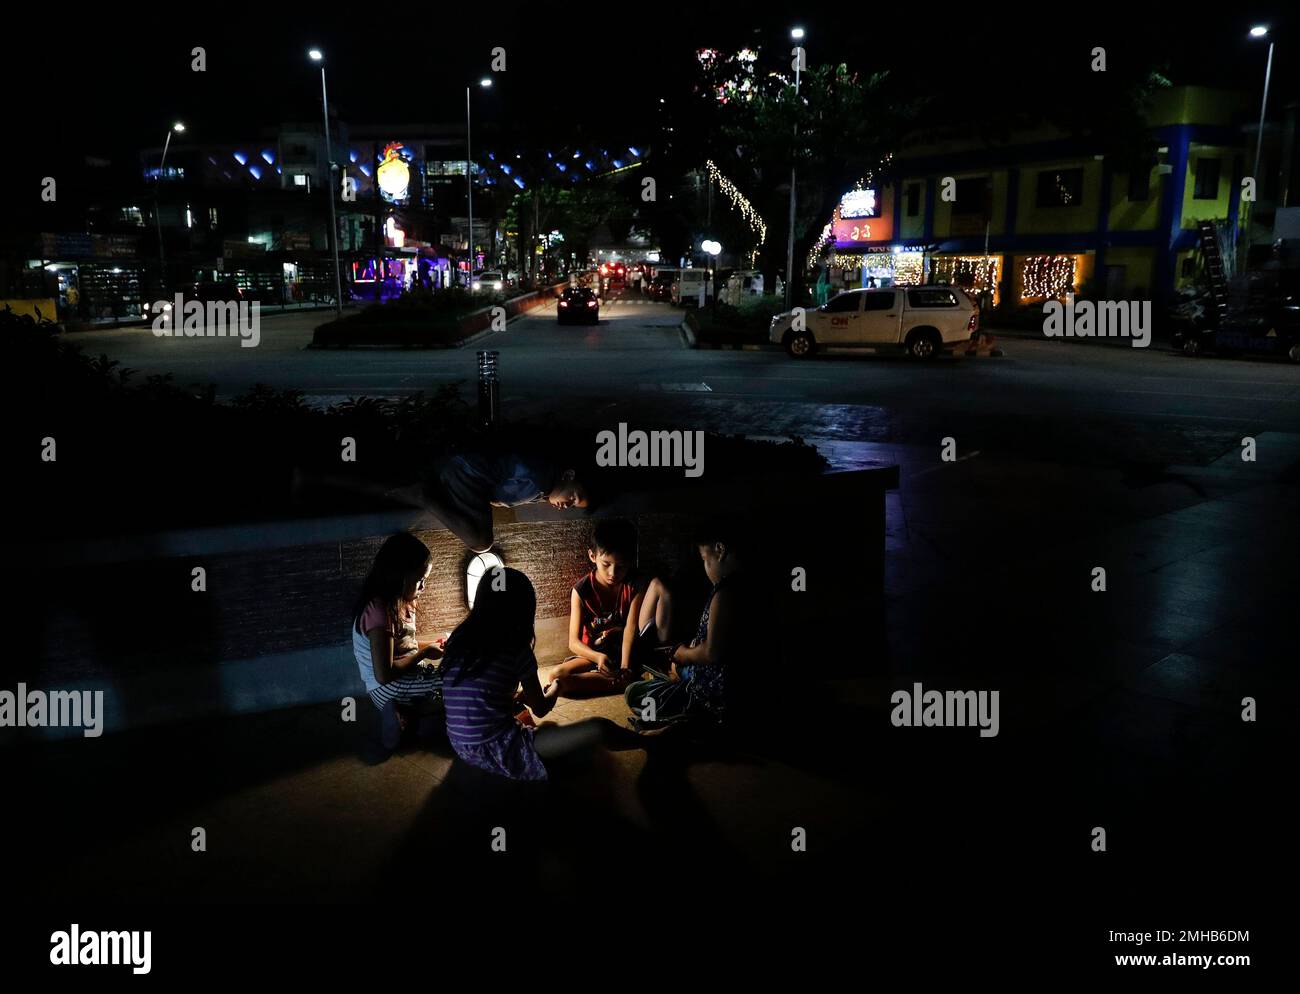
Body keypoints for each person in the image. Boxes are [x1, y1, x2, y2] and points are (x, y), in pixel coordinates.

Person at [624, 519, 764, 731]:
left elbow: (711, 653)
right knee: (679, 669)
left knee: (636, 694)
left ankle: (684, 716)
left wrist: (682, 653)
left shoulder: (725, 592)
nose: (706, 568)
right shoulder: (754, 583)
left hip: (720, 691)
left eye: (705, 559)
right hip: (744, 683)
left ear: (720, 550)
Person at [440, 567, 559, 780]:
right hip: (495, 748)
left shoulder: (458, 640)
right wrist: (558, 687)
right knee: (553, 730)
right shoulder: (516, 649)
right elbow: (541, 708)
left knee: (520, 708)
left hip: (460, 745)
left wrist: (516, 698)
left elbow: (481, 693)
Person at [545, 519, 673, 697]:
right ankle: (619, 682)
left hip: (626, 649)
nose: (613, 573)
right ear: (593, 556)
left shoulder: (634, 583)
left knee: (624, 675)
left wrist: (625, 667)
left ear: (630, 561)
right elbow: (573, 643)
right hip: (596, 651)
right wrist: (597, 657)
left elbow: (631, 627)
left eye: (621, 566)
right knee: (555, 674)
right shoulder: (581, 590)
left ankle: (623, 680)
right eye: (606, 564)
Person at [351, 533, 446, 750]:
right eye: (420, 581)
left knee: (447, 691)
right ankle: (407, 716)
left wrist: (431, 645)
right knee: (455, 686)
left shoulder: (398, 601)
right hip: (386, 688)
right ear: (400, 576)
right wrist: (423, 654)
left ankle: (405, 720)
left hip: (396, 683)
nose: (423, 587)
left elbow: (403, 648)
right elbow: (384, 675)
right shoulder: (379, 611)